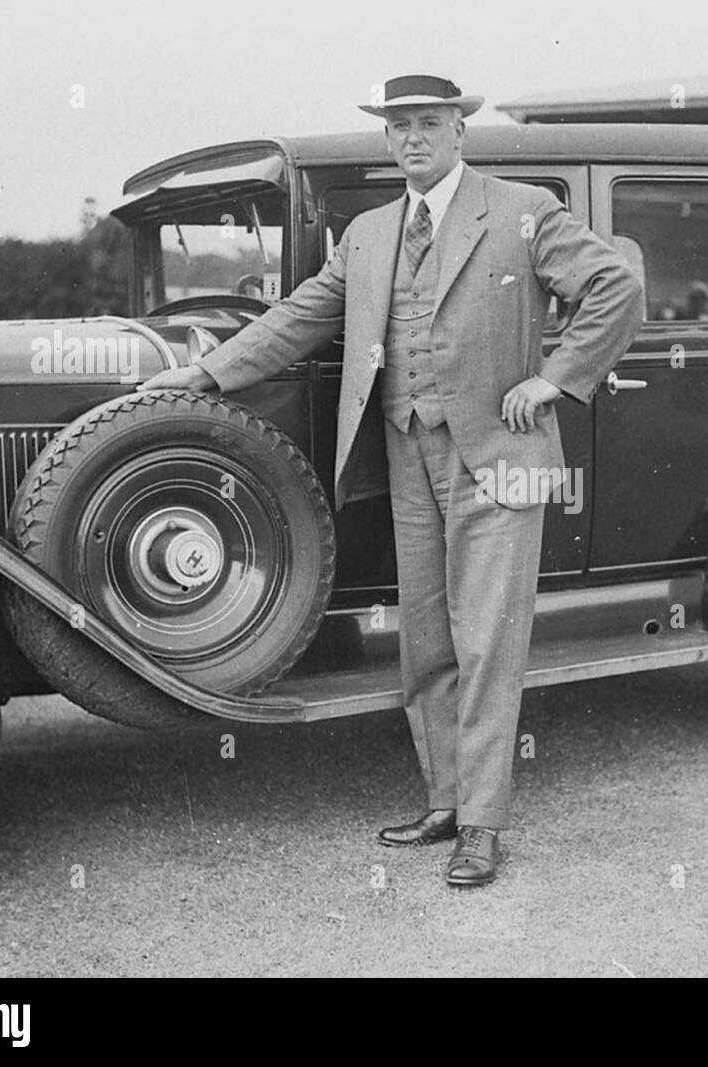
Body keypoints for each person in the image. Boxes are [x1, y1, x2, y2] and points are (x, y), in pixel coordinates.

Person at [140, 74, 644, 886]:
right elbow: (301, 315)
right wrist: (203, 376)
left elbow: (616, 284)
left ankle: (483, 822)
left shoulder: (520, 209)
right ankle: (445, 800)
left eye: (429, 123)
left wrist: (554, 379)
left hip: (500, 457)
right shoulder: (371, 233)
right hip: (407, 450)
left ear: (459, 132)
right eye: (399, 126)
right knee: (427, 637)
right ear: (387, 139)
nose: (413, 137)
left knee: (488, 639)